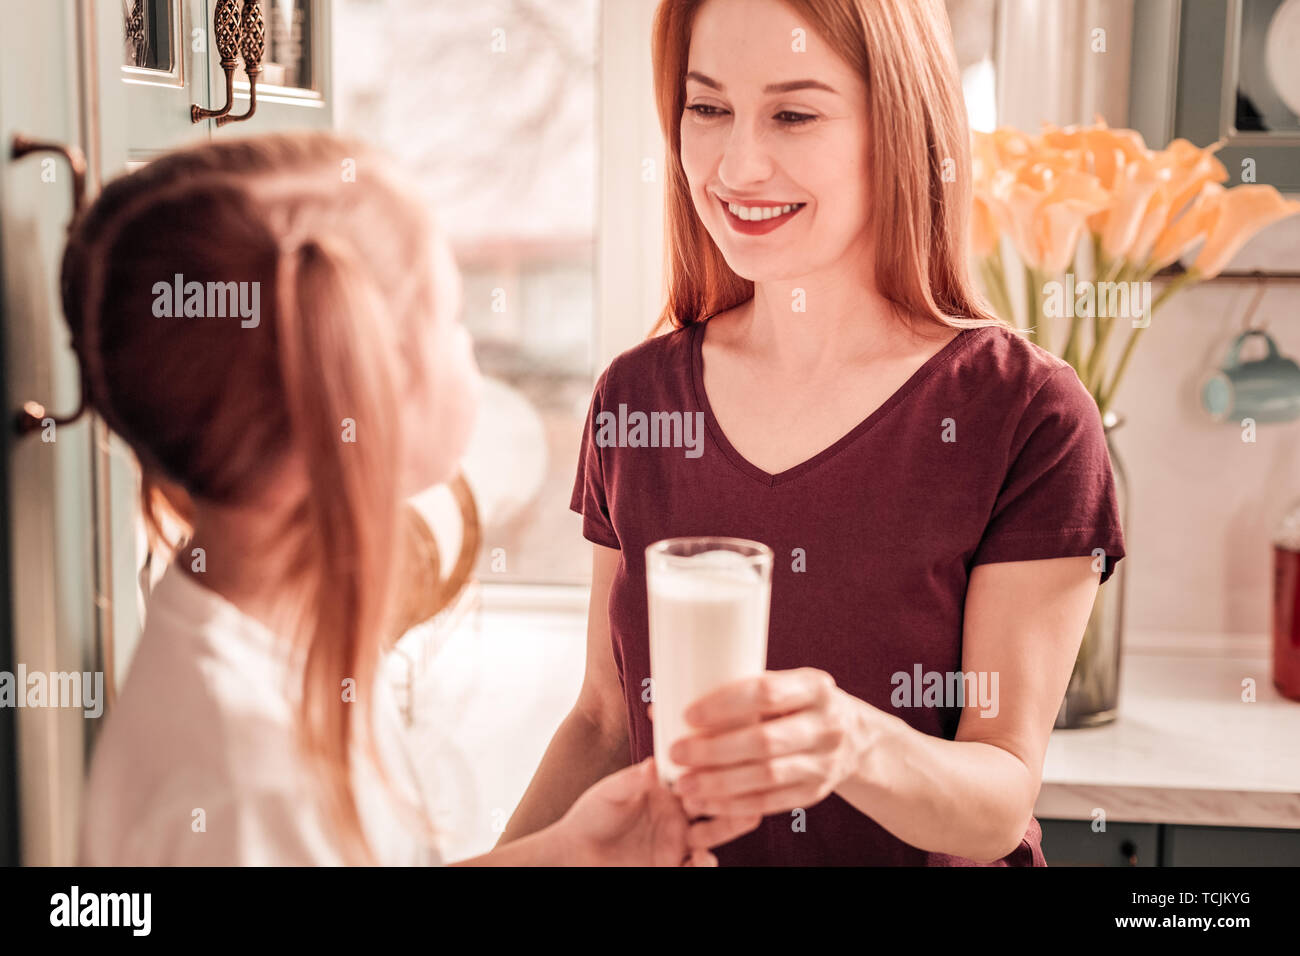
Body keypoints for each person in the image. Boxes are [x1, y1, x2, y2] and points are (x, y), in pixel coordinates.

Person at [500, 0, 1125, 865]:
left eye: (794, 114)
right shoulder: (637, 400)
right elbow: (607, 721)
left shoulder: (1027, 414)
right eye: (707, 108)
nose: (737, 163)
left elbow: (998, 794)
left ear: (899, 132)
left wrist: (850, 743)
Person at [73, 132, 758, 865]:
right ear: (360, 388)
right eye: (450, 321)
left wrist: (573, 854)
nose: (473, 349)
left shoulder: (273, 646)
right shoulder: (252, 788)